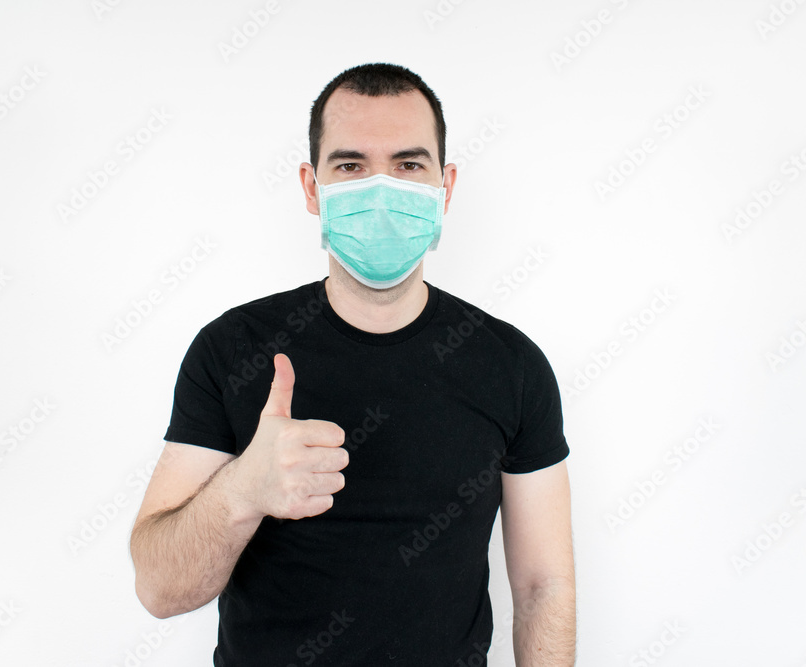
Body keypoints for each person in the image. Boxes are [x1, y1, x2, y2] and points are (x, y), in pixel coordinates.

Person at [130, 62, 576, 666]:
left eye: (408, 164)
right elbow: (159, 591)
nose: (382, 190)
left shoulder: (512, 365)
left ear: (444, 187)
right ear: (312, 188)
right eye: (350, 166)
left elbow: (543, 584)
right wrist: (244, 491)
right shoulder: (232, 350)